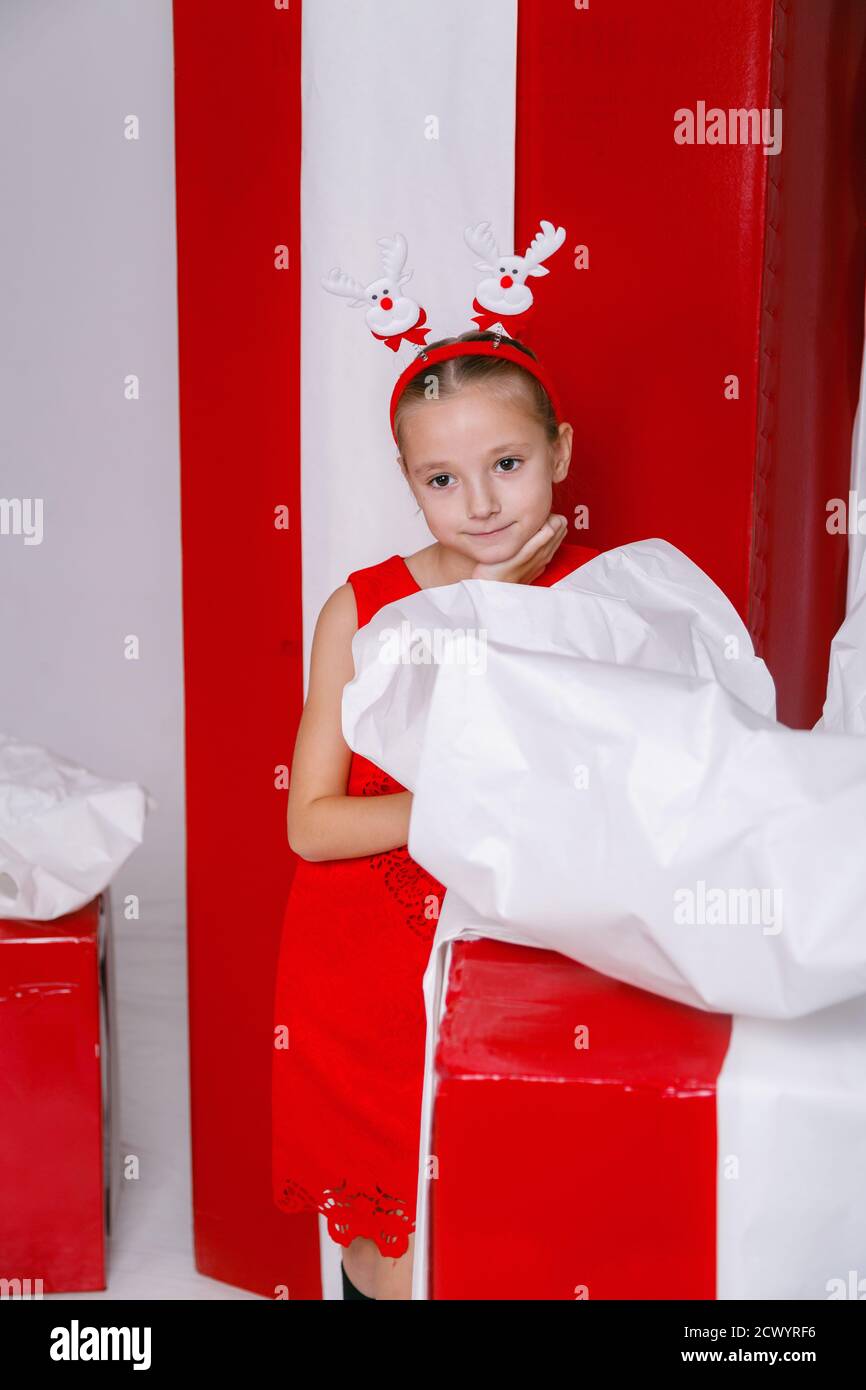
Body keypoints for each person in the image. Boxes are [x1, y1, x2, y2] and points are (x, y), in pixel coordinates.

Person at [272, 329, 600, 1299]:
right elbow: (312, 824)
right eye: (441, 479)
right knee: (395, 1241)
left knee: (515, 1213)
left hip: (528, 959)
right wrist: (475, 612)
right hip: (368, 967)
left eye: (506, 463)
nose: (482, 502)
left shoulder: (601, 595)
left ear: (560, 452)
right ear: (408, 483)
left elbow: (600, 798)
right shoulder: (363, 608)